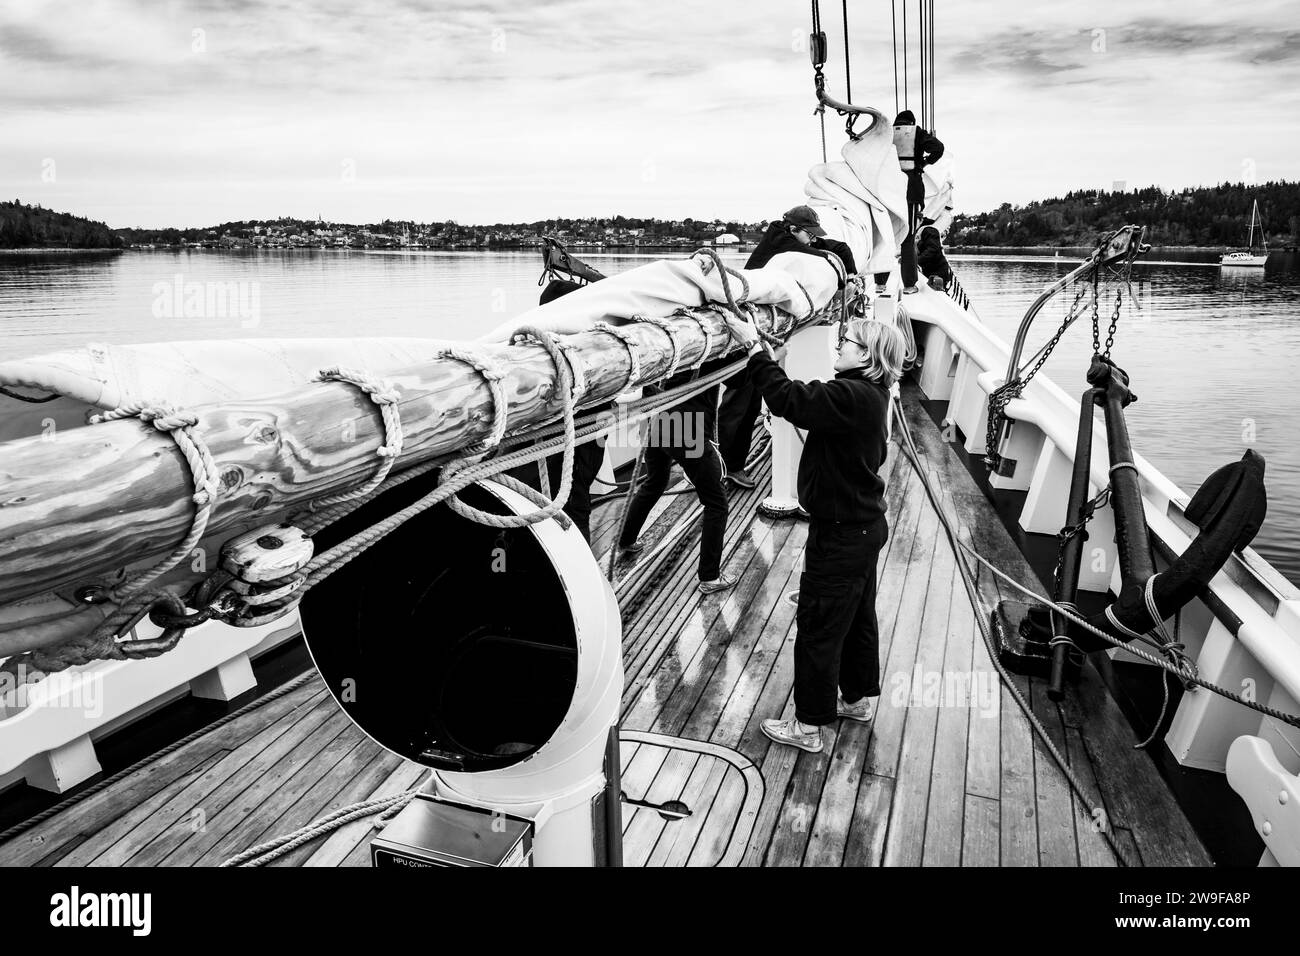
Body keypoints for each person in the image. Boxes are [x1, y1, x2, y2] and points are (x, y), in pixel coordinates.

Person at [723, 313, 906, 753]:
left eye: (847, 341)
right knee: (857, 619)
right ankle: (856, 700)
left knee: (819, 625)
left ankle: (808, 726)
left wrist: (754, 350)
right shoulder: (870, 394)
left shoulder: (853, 394)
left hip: (841, 536)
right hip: (861, 530)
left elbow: (790, 399)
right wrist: (775, 363)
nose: (838, 344)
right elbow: (804, 399)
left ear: (865, 354)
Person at [717, 205, 856, 489]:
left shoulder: (788, 237)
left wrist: (847, 266)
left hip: (758, 328)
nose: (813, 240)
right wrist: (841, 270)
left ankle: (726, 463)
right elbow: (819, 255)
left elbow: (832, 246)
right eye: (809, 234)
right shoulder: (780, 241)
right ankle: (726, 466)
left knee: (747, 399)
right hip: (745, 328)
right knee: (741, 400)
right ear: (794, 229)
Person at [616, 360, 734, 594]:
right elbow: (739, 379)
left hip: (659, 421)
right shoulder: (712, 351)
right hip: (687, 429)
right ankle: (710, 577)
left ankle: (627, 539)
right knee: (716, 503)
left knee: (655, 481)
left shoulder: (673, 350)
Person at [508, 277, 605, 541]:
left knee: (564, 514)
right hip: (564, 460)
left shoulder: (527, 352)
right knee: (572, 516)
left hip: (560, 460)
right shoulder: (588, 353)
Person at [892, 110, 944, 294]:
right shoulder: (917, 132)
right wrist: (924, 162)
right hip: (911, 190)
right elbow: (938, 148)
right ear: (912, 122)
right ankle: (909, 285)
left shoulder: (887, 134)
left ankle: (880, 282)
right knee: (908, 237)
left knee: (884, 236)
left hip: (888, 190)